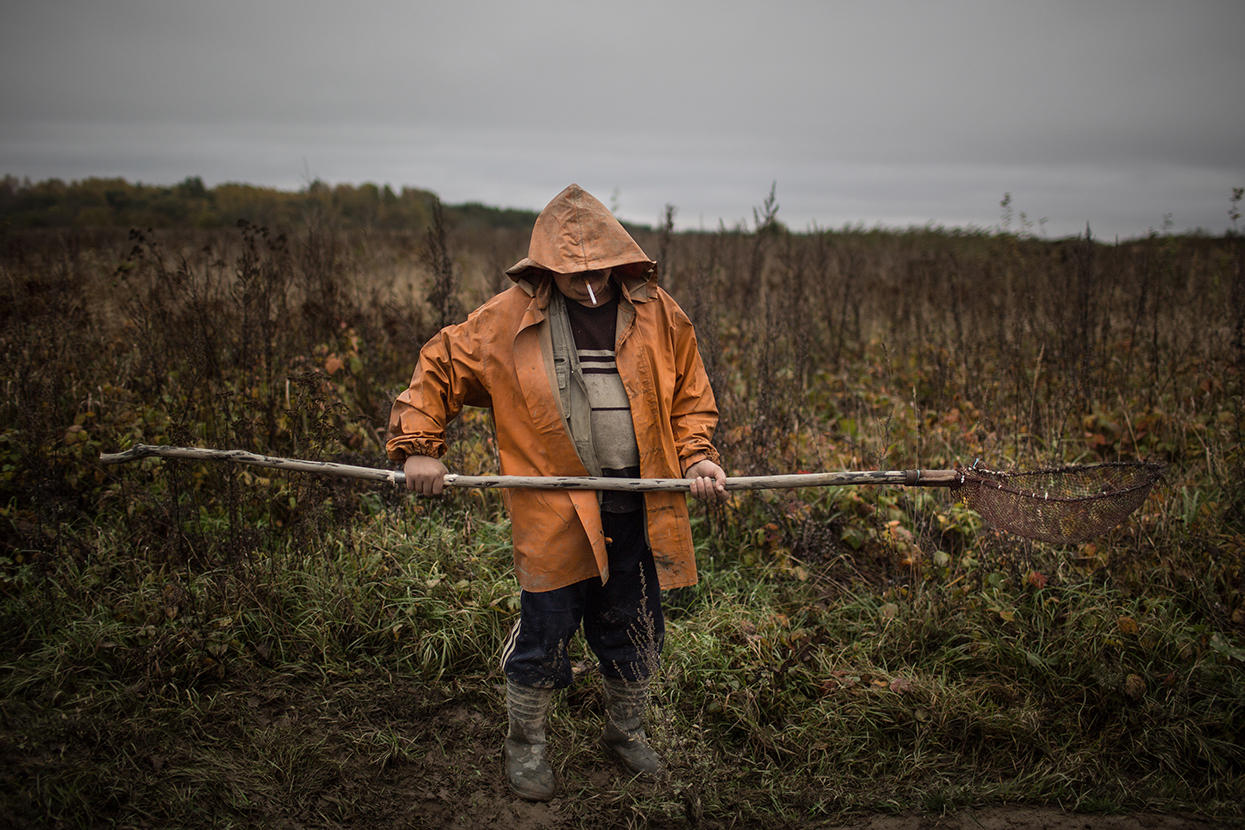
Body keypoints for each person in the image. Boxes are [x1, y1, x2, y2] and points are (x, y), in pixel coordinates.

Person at [386, 183, 726, 801]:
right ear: (547, 269)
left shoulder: (659, 313)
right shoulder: (508, 318)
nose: (588, 282)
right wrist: (418, 448)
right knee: (545, 630)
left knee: (635, 625)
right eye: (573, 273)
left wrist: (698, 456)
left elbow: (689, 395)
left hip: (640, 504)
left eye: (598, 269)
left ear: (619, 260)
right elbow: (441, 365)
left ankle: (625, 732)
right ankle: (527, 746)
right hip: (554, 509)